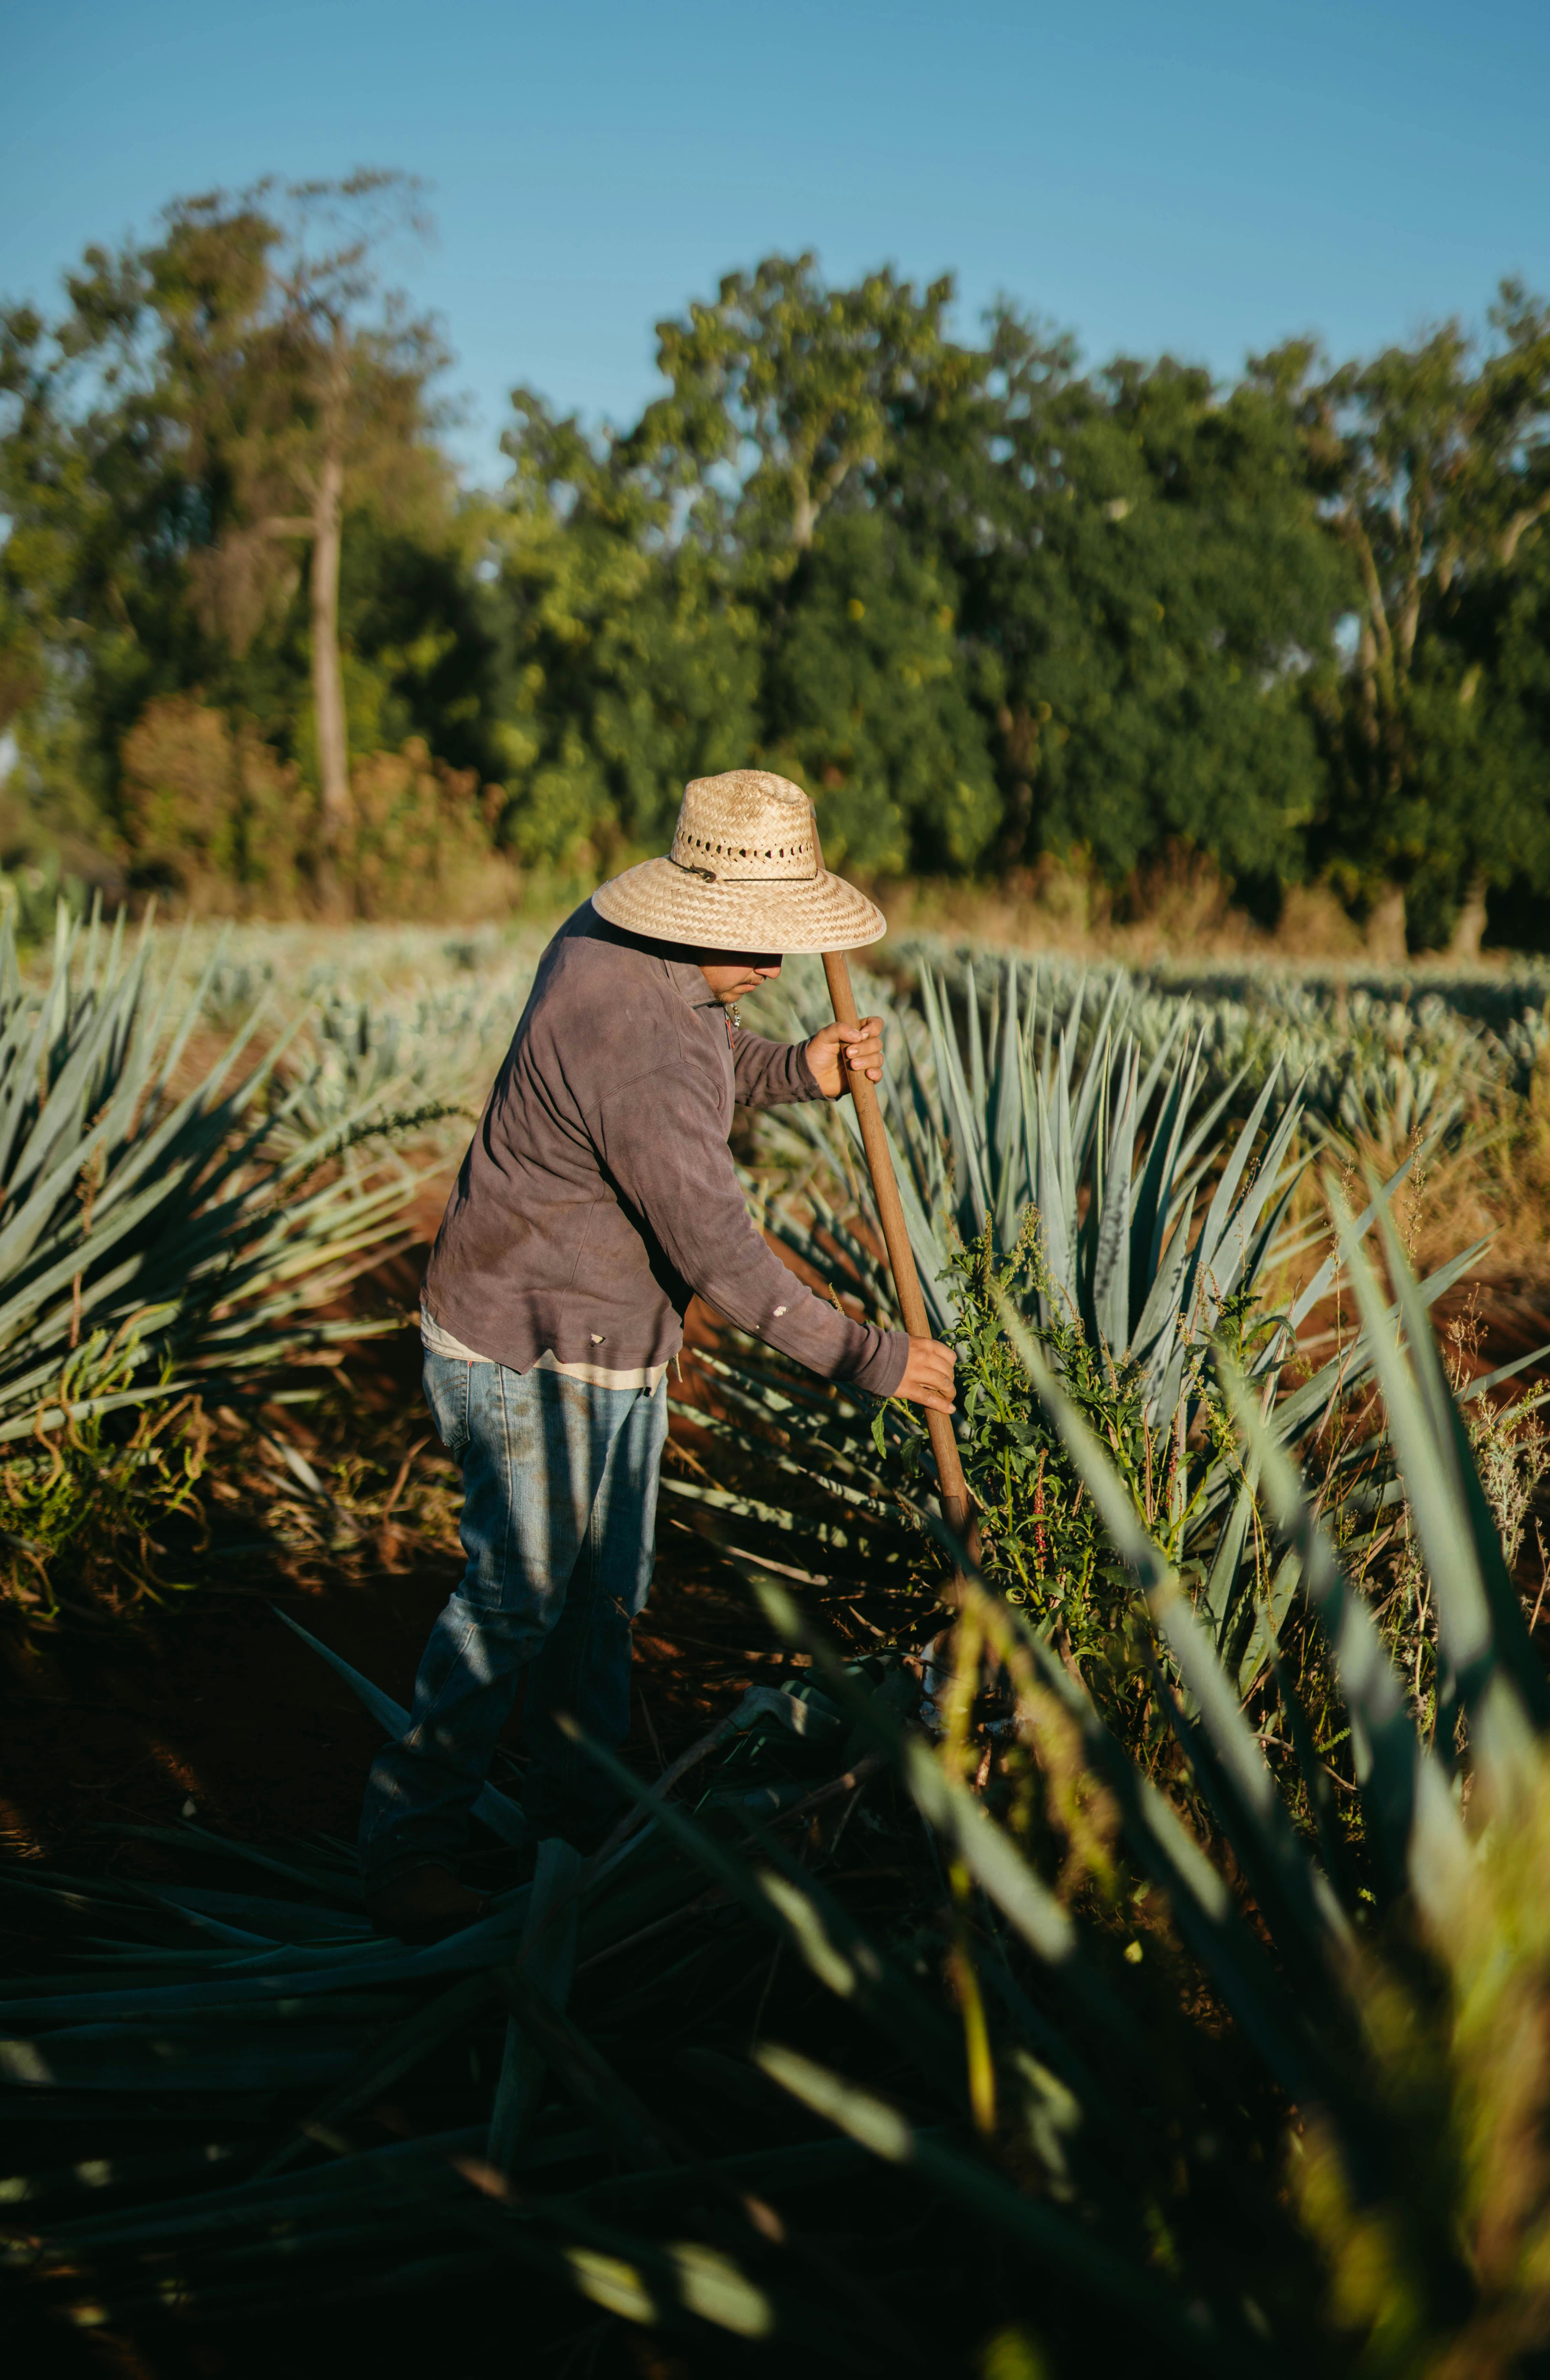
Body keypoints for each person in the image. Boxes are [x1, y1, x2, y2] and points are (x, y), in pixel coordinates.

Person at [359, 769, 957, 1941]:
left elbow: (713, 1055)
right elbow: (722, 1253)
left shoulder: (637, 950)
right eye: (759, 946)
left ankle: (575, 1826)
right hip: (523, 1345)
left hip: (613, 1334)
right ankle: (407, 1850)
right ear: (692, 914)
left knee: (602, 1605)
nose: (776, 969)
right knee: (517, 1597)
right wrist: (872, 1359)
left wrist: (802, 1069)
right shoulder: (627, 1027)